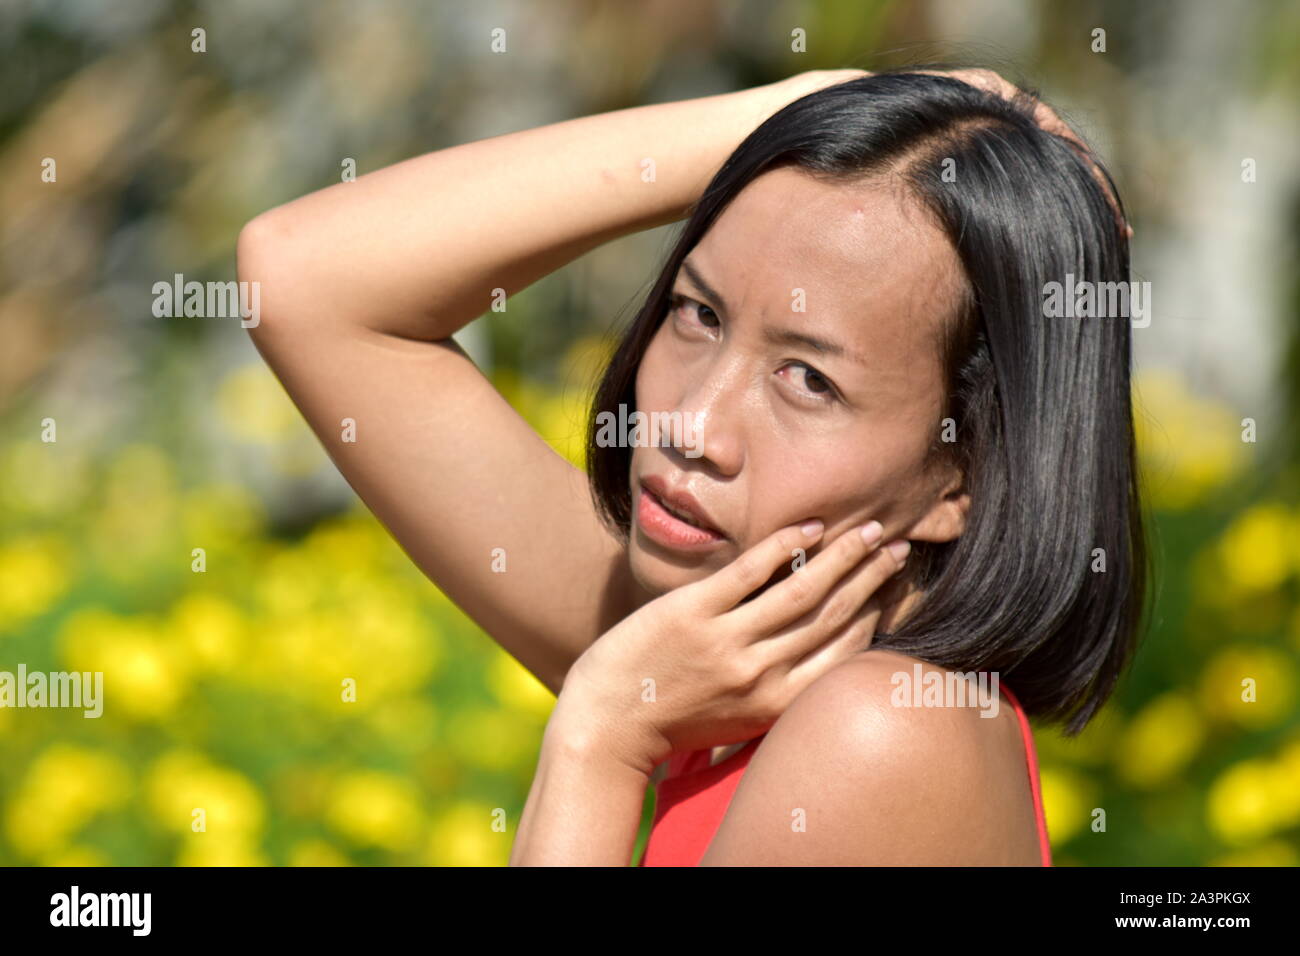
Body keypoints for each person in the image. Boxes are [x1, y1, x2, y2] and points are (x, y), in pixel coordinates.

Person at [236, 66, 1149, 866]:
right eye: (698, 314)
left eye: (807, 379)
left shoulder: (882, 731)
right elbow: (300, 279)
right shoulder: (705, 654)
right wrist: (814, 109)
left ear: (963, 479)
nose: (691, 424)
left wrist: (598, 737)